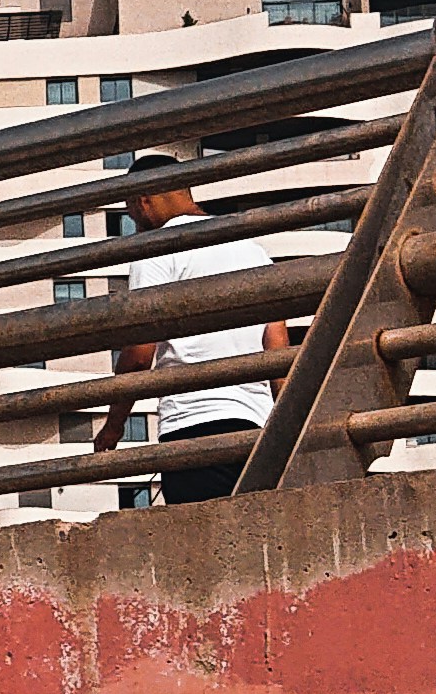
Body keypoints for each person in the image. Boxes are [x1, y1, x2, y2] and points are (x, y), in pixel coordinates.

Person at [93, 171, 292, 508]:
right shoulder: (252, 251)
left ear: (143, 201)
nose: (135, 224)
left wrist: (113, 428)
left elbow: (140, 355)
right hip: (255, 433)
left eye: (131, 214)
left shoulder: (157, 251)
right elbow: (279, 356)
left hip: (191, 428)